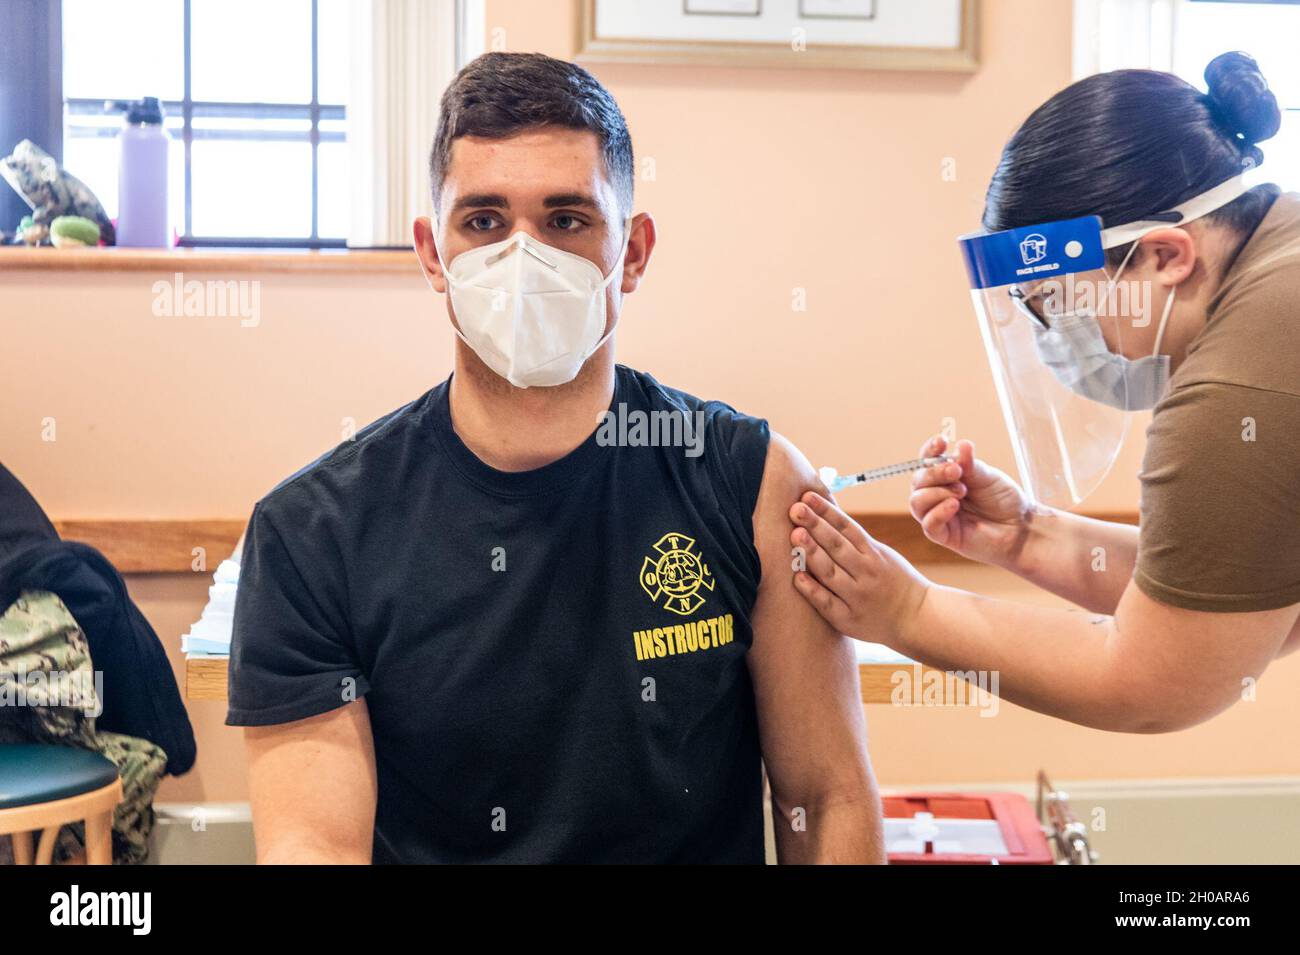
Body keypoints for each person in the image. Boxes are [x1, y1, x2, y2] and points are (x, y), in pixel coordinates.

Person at [226, 52, 884, 863]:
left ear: (633, 252)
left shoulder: (749, 482)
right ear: (434, 255)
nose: (523, 259)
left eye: (567, 220)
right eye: (485, 221)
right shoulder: (311, 534)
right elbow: (314, 849)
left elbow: (826, 799)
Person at [790, 52, 1300, 733]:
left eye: (1058, 303)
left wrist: (905, 611)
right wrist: (1025, 534)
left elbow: (1152, 681)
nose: (1058, 336)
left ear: (1165, 256)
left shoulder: (1235, 391)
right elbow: (1231, 600)